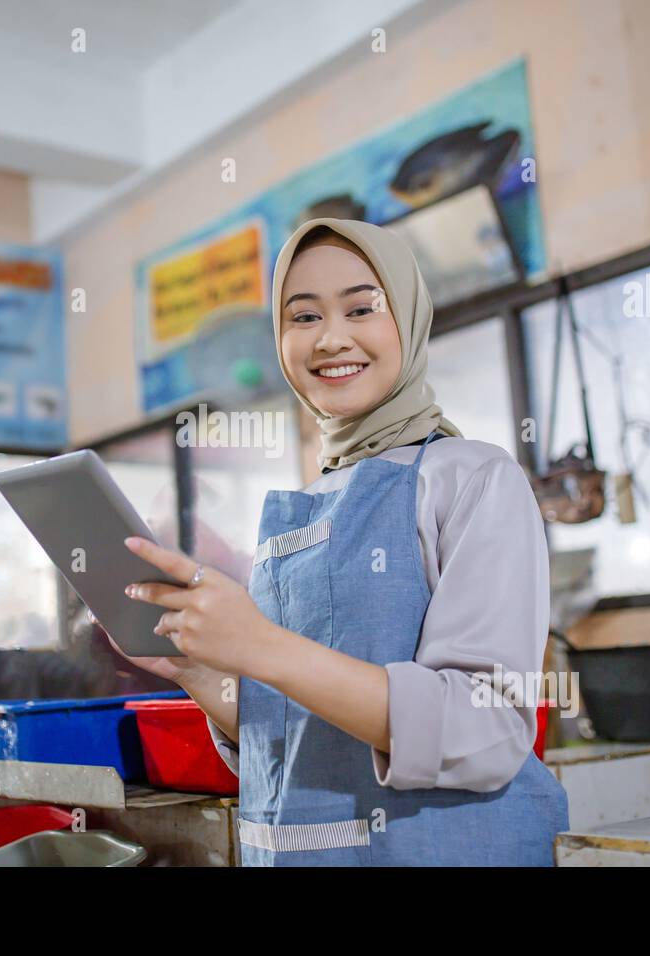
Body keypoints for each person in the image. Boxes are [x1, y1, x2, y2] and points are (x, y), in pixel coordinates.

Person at [112, 217, 569, 866]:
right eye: (302, 318)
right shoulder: (304, 505)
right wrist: (205, 673)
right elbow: (305, 731)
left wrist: (261, 646)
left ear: (408, 319)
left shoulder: (471, 477)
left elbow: (487, 729)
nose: (330, 339)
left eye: (361, 308)